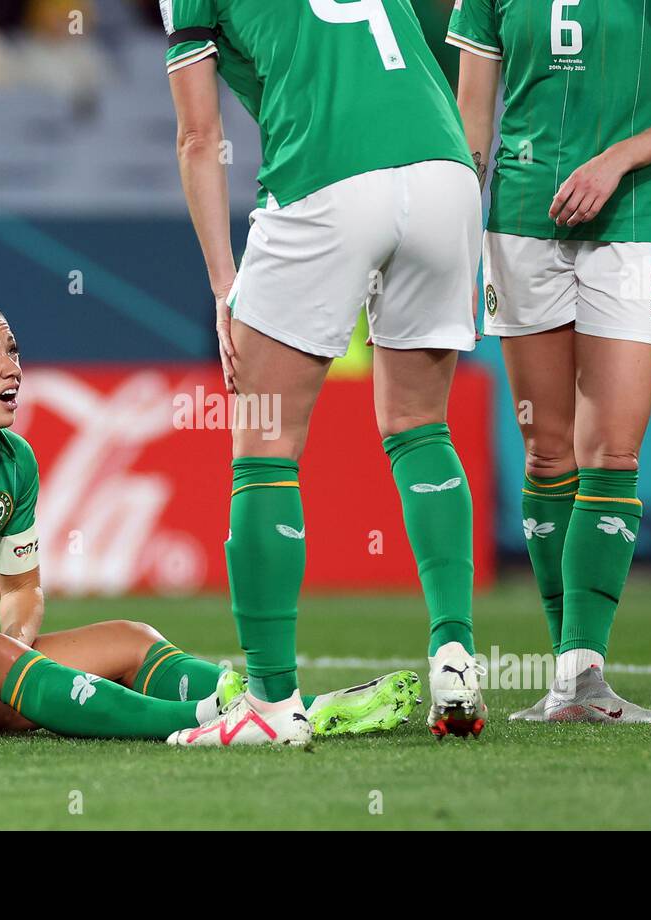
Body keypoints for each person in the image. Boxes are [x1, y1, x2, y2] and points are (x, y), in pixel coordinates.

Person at [0, 297, 421, 741]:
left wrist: (18, 638)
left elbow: (21, 587)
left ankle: (282, 706)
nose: (11, 367)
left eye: (12, 350)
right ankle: (206, 723)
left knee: (129, 637)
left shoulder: (15, 461)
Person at [161, 0, 487, 746]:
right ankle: (455, 651)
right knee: (418, 425)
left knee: (263, 445)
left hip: (327, 174)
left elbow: (198, 135)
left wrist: (223, 284)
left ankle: (271, 708)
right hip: (443, 171)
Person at [448, 0, 651, 722]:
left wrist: (618, 159)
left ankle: (586, 674)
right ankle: (566, 678)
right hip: (520, 221)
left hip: (634, 222)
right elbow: (472, 119)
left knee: (611, 448)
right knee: (546, 453)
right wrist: (450, 228)